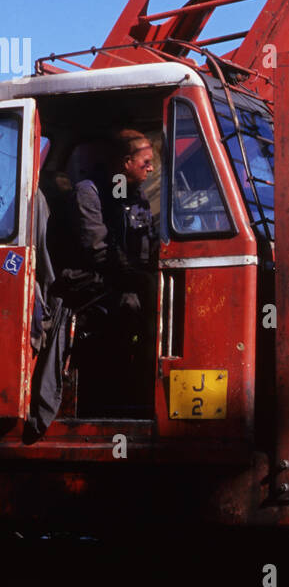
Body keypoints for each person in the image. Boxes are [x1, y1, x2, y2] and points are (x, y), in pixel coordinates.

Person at [64, 129, 159, 412]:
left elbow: (147, 242)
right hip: (86, 280)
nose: (152, 168)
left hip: (122, 275)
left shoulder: (137, 197)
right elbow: (98, 250)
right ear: (125, 162)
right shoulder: (88, 193)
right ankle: (113, 395)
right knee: (130, 304)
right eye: (146, 162)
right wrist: (140, 279)